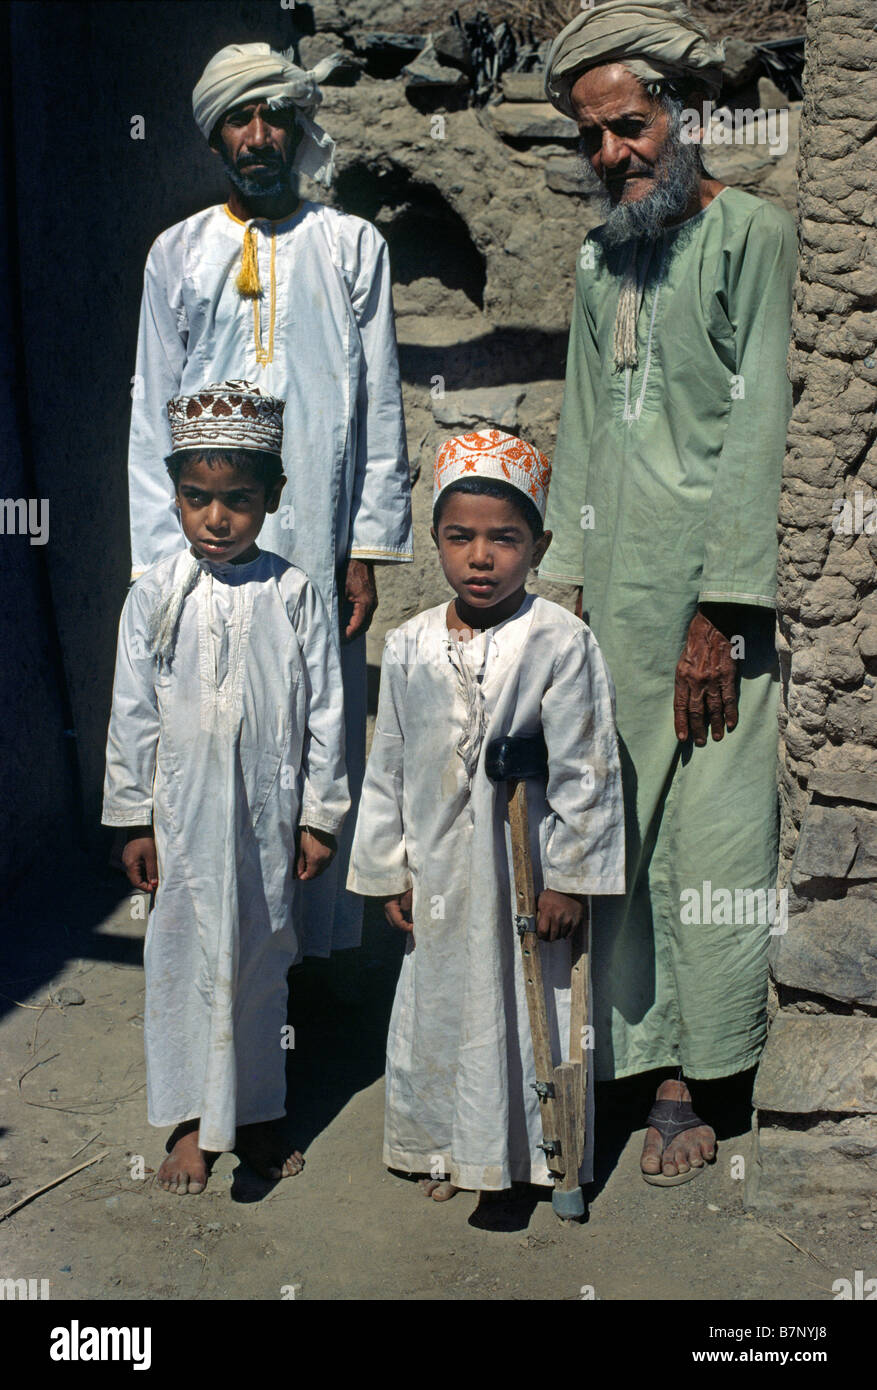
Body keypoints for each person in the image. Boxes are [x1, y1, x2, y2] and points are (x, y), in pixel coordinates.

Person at [541, 0, 797, 1182]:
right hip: (619, 597)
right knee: (616, 833)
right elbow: (587, 426)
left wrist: (722, 607)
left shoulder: (753, 235)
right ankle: (622, 1064)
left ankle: (695, 1080)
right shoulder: (600, 261)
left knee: (710, 837)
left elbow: (760, 426)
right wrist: (563, 593)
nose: (613, 156)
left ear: (682, 116)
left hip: (714, 609)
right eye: (592, 139)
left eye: (630, 128)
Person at [127, 42, 412, 958]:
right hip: (208, 539)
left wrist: (364, 543)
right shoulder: (178, 252)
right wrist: (156, 563)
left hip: (318, 528)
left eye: (272, 116)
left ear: (297, 125)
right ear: (215, 138)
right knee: (214, 723)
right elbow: (151, 410)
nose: (258, 135)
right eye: (238, 120)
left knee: (313, 713)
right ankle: (224, 947)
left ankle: (308, 948)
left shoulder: (351, 244)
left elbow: (378, 399)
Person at [347, 429, 625, 1206]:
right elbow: (389, 764)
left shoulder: (561, 641)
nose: (479, 557)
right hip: (439, 866)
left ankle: (532, 1155)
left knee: (530, 1006)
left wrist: (569, 878)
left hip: (526, 870)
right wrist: (388, 867)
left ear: (536, 546)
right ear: (435, 540)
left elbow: (586, 768)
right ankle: (450, 1149)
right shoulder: (406, 645)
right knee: (443, 1004)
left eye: (503, 539)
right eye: (458, 537)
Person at [103, 381, 349, 1194]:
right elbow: (131, 714)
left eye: (238, 500)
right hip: (182, 819)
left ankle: (258, 1111)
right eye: (197, 499)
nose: (216, 518)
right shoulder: (153, 597)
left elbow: (325, 715)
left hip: (265, 820)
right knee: (180, 955)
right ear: (174, 497)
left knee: (262, 953)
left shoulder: (295, 594)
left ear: (272, 498)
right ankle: (187, 1121)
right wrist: (134, 818)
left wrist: (318, 815)